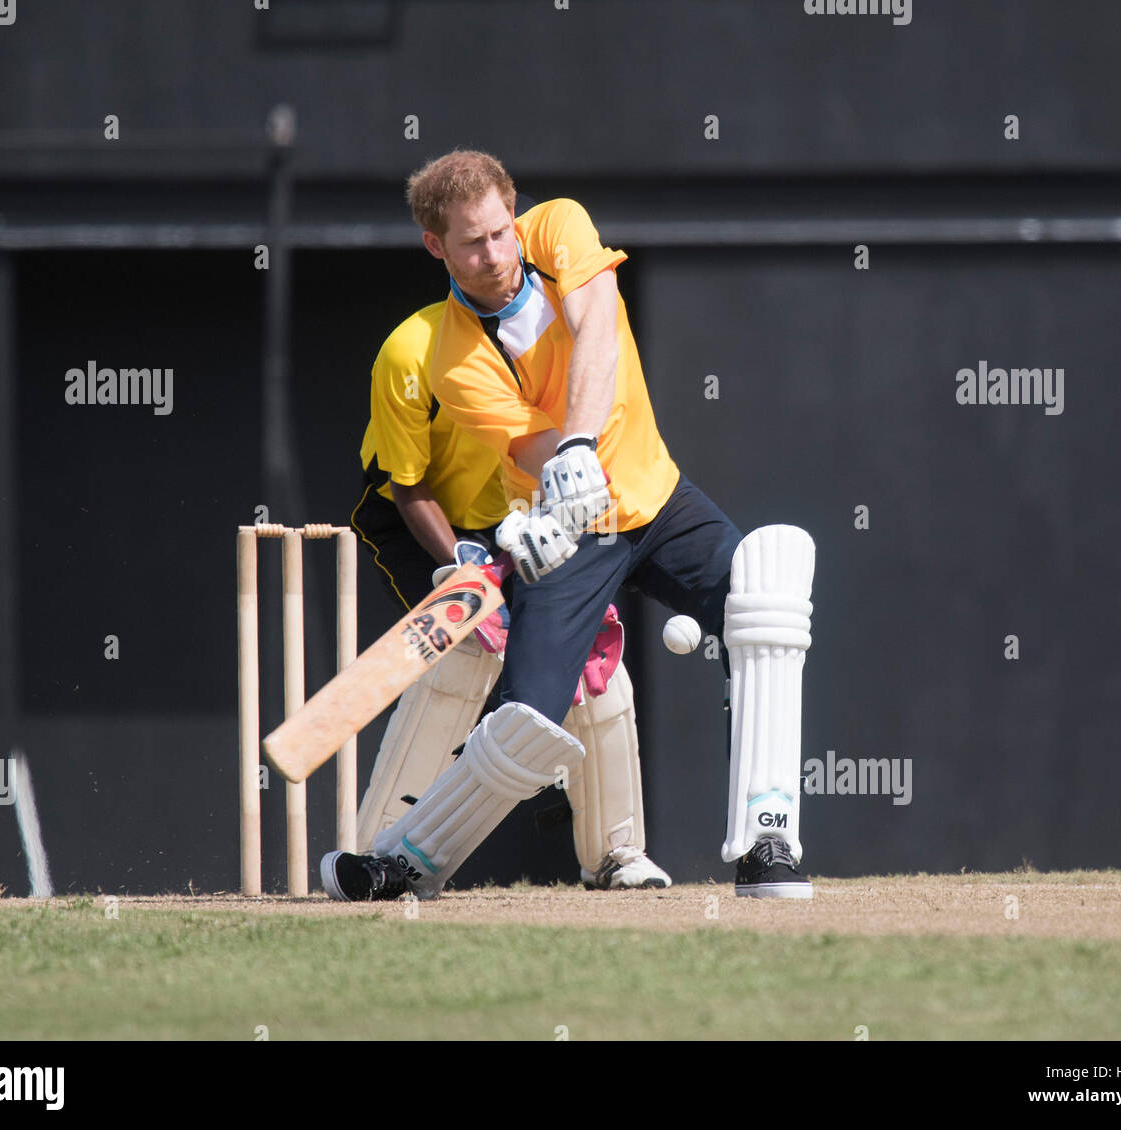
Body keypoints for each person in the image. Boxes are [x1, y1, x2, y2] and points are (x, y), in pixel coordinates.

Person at [322, 149, 816, 902]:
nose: (493, 255)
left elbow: (597, 328)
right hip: (570, 530)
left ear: (514, 213)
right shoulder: (451, 359)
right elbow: (531, 447)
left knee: (766, 588)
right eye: (470, 243)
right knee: (525, 720)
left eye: (498, 232)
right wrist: (552, 499)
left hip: (657, 496)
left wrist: (581, 448)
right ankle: (404, 861)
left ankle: (766, 841)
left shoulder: (559, 228)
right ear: (436, 248)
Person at [323, 301, 672, 892]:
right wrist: (459, 558)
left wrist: (559, 531)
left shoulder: (566, 346)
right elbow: (407, 487)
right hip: (420, 517)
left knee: (591, 660)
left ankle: (616, 854)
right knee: (465, 647)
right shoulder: (411, 351)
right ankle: (377, 857)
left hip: (524, 516)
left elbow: (573, 463)